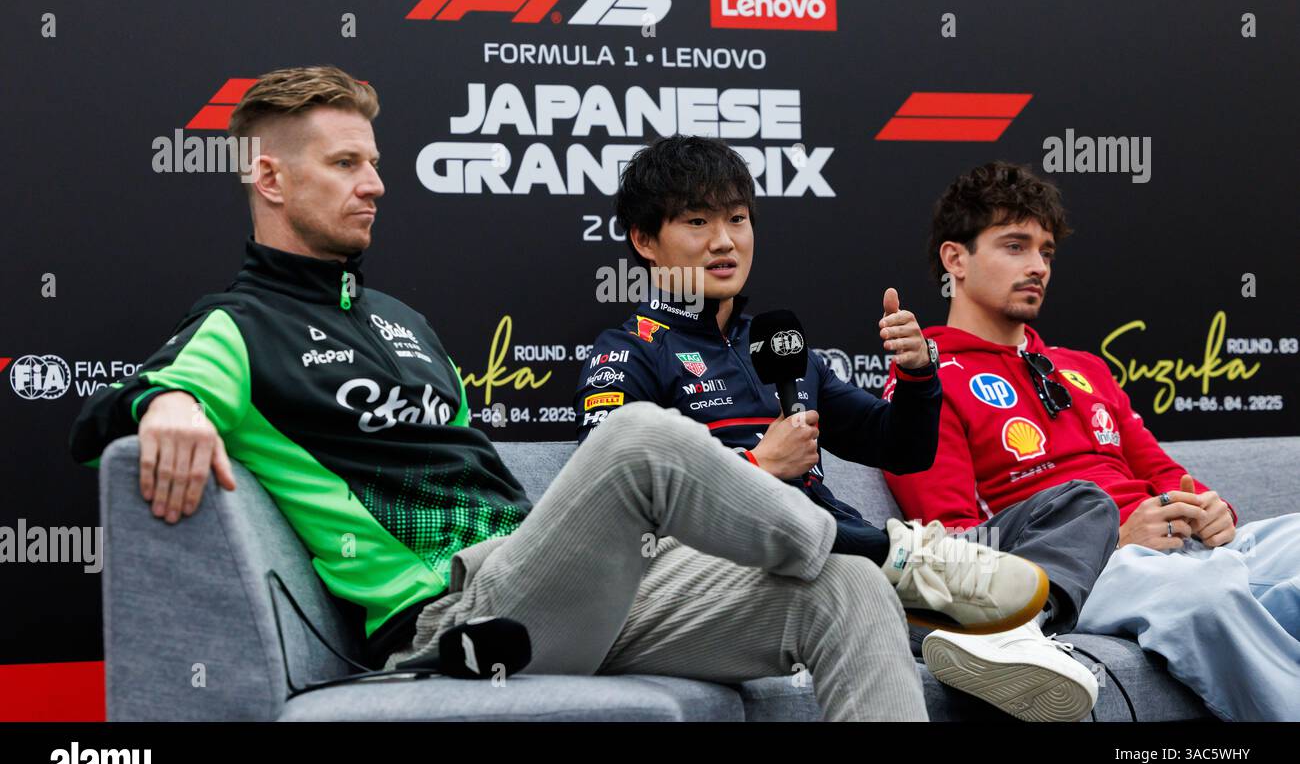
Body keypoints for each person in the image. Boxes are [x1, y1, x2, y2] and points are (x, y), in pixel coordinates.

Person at [75, 66, 941, 721]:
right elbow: (112, 409)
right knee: (639, 438)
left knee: (843, 592)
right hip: (451, 613)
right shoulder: (239, 324)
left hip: (548, 580)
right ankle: (904, 557)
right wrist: (168, 403)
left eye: (372, 162)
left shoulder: (401, 321)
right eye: (344, 164)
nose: (374, 182)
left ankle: (872, 565)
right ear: (270, 180)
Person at [574, 137, 1097, 695]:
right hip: (761, 569)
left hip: (857, 551)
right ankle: (963, 612)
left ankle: (1010, 630)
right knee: (792, 519)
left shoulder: (783, 345)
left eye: (738, 219)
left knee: (1081, 502)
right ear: (645, 241)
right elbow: (613, 502)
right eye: (697, 222)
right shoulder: (627, 351)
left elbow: (903, 450)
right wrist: (757, 464)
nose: (724, 242)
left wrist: (921, 375)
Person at [885, 160, 1300, 722]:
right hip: (1093, 572)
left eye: (1046, 252)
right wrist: (1117, 540)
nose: (1037, 267)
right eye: (1015, 246)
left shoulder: (1083, 368)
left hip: (1183, 550)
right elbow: (959, 550)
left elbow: (1165, 472)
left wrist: (1212, 510)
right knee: (1207, 599)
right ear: (955, 258)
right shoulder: (922, 383)